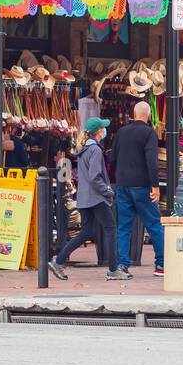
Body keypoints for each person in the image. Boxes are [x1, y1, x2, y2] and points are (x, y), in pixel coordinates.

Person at [48, 118, 126, 280]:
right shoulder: (95, 150)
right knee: (111, 229)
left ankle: (59, 261)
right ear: (98, 131)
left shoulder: (83, 149)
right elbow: (95, 177)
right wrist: (108, 191)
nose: (105, 130)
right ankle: (113, 269)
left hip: (84, 197)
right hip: (96, 197)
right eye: (102, 128)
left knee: (86, 232)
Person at [111, 101, 164, 277]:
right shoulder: (149, 133)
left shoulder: (121, 132)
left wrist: (118, 179)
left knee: (124, 227)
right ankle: (161, 264)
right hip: (142, 186)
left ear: (134, 114)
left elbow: (113, 159)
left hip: (123, 185)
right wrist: (155, 186)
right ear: (148, 115)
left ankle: (122, 266)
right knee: (154, 224)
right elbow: (151, 161)